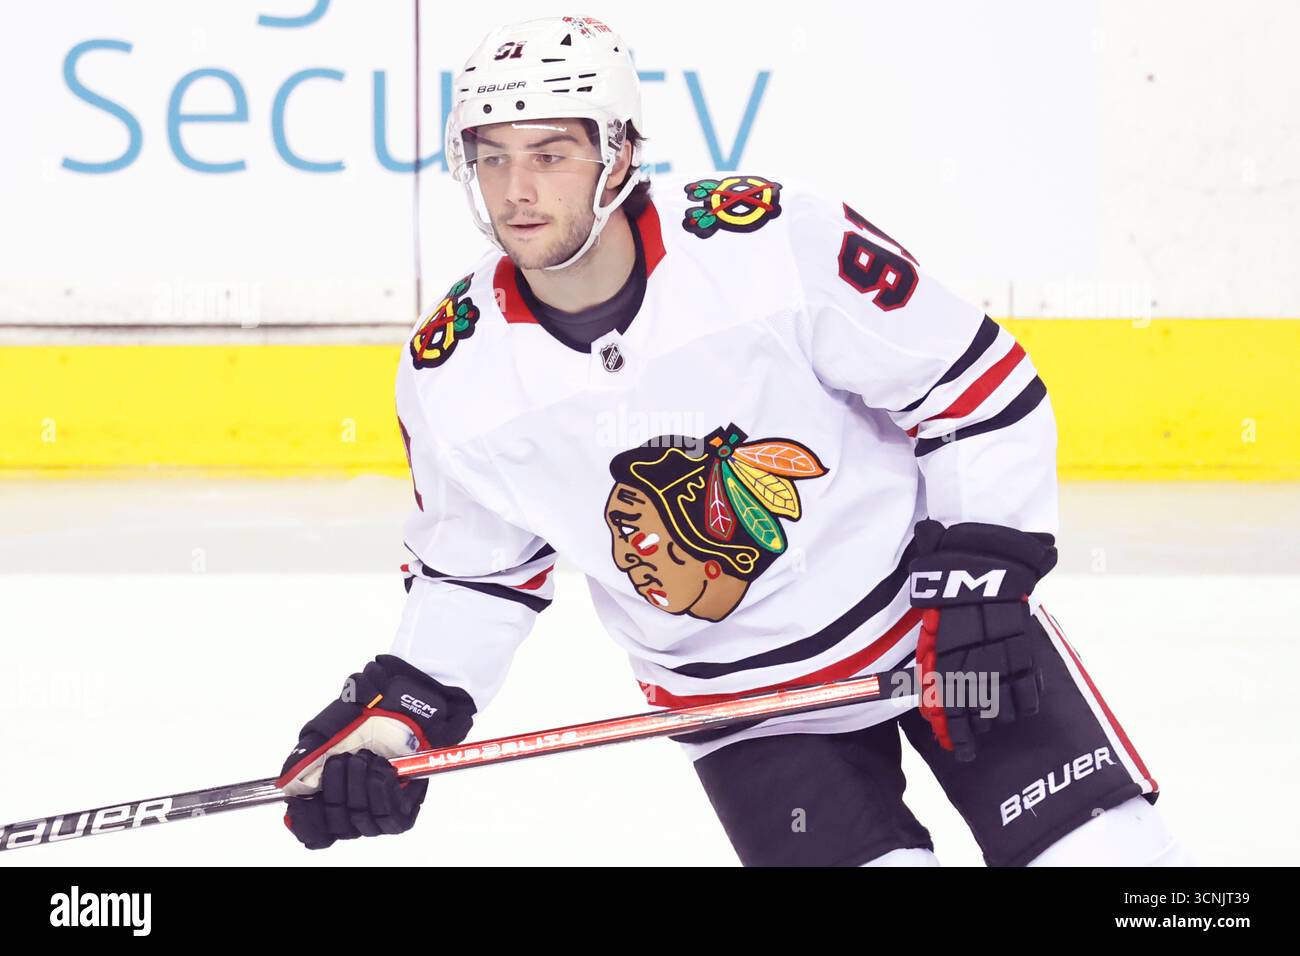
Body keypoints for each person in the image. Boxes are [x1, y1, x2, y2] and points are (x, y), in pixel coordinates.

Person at [276, 15, 1192, 866]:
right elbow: (477, 574)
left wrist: (985, 574)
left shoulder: (769, 241)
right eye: (492, 158)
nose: (516, 191)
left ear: (618, 154)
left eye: (550, 155)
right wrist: (397, 721)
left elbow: (969, 385)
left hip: (939, 635)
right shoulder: (453, 369)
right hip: (749, 713)